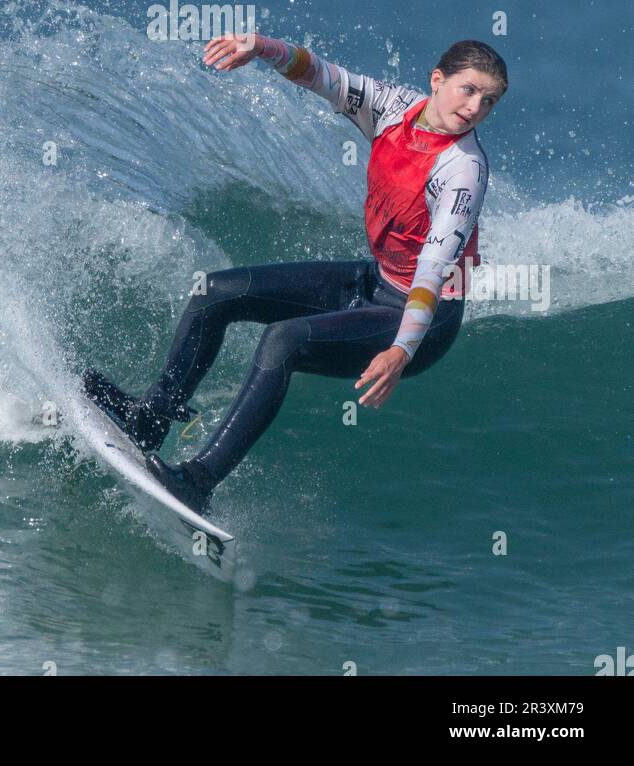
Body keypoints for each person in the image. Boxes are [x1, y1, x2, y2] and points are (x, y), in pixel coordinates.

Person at [83, 33, 507, 514]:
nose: (475, 107)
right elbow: (322, 75)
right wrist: (261, 47)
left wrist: (400, 350)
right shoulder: (396, 109)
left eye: (488, 101)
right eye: (468, 90)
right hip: (378, 282)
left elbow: (434, 270)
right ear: (437, 80)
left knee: (283, 341)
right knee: (216, 292)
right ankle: (150, 419)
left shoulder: (462, 172)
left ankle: (198, 482)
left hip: (424, 320)